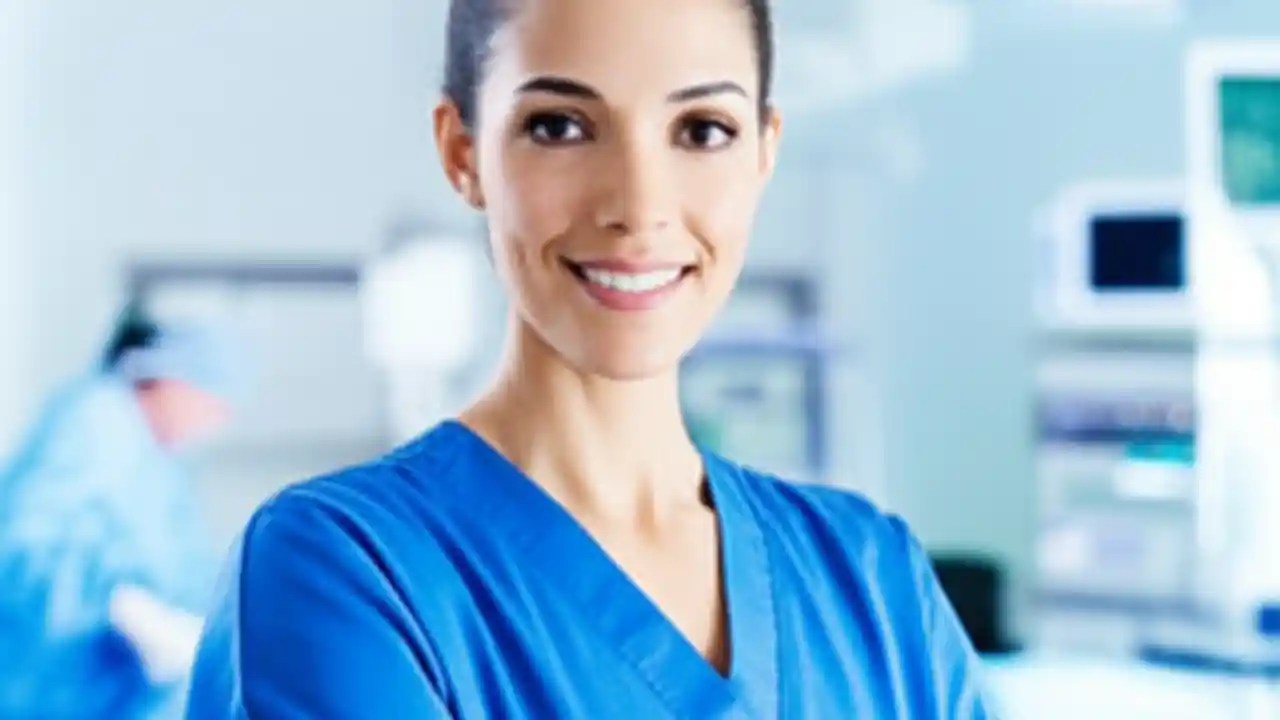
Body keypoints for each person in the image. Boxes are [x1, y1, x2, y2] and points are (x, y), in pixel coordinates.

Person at [187, 0, 993, 717]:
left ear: (761, 154)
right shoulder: (347, 572)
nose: (638, 207)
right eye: (560, 127)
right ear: (463, 152)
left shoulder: (875, 584)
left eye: (702, 131)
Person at [0, 308, 241, 719]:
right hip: (52, 687)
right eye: (209, 403)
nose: (212, 421)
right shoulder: (99, 420)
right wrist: (121, 606)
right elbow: (23, 548)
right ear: (170, 380)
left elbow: (184, 566)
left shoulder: (158, 460)